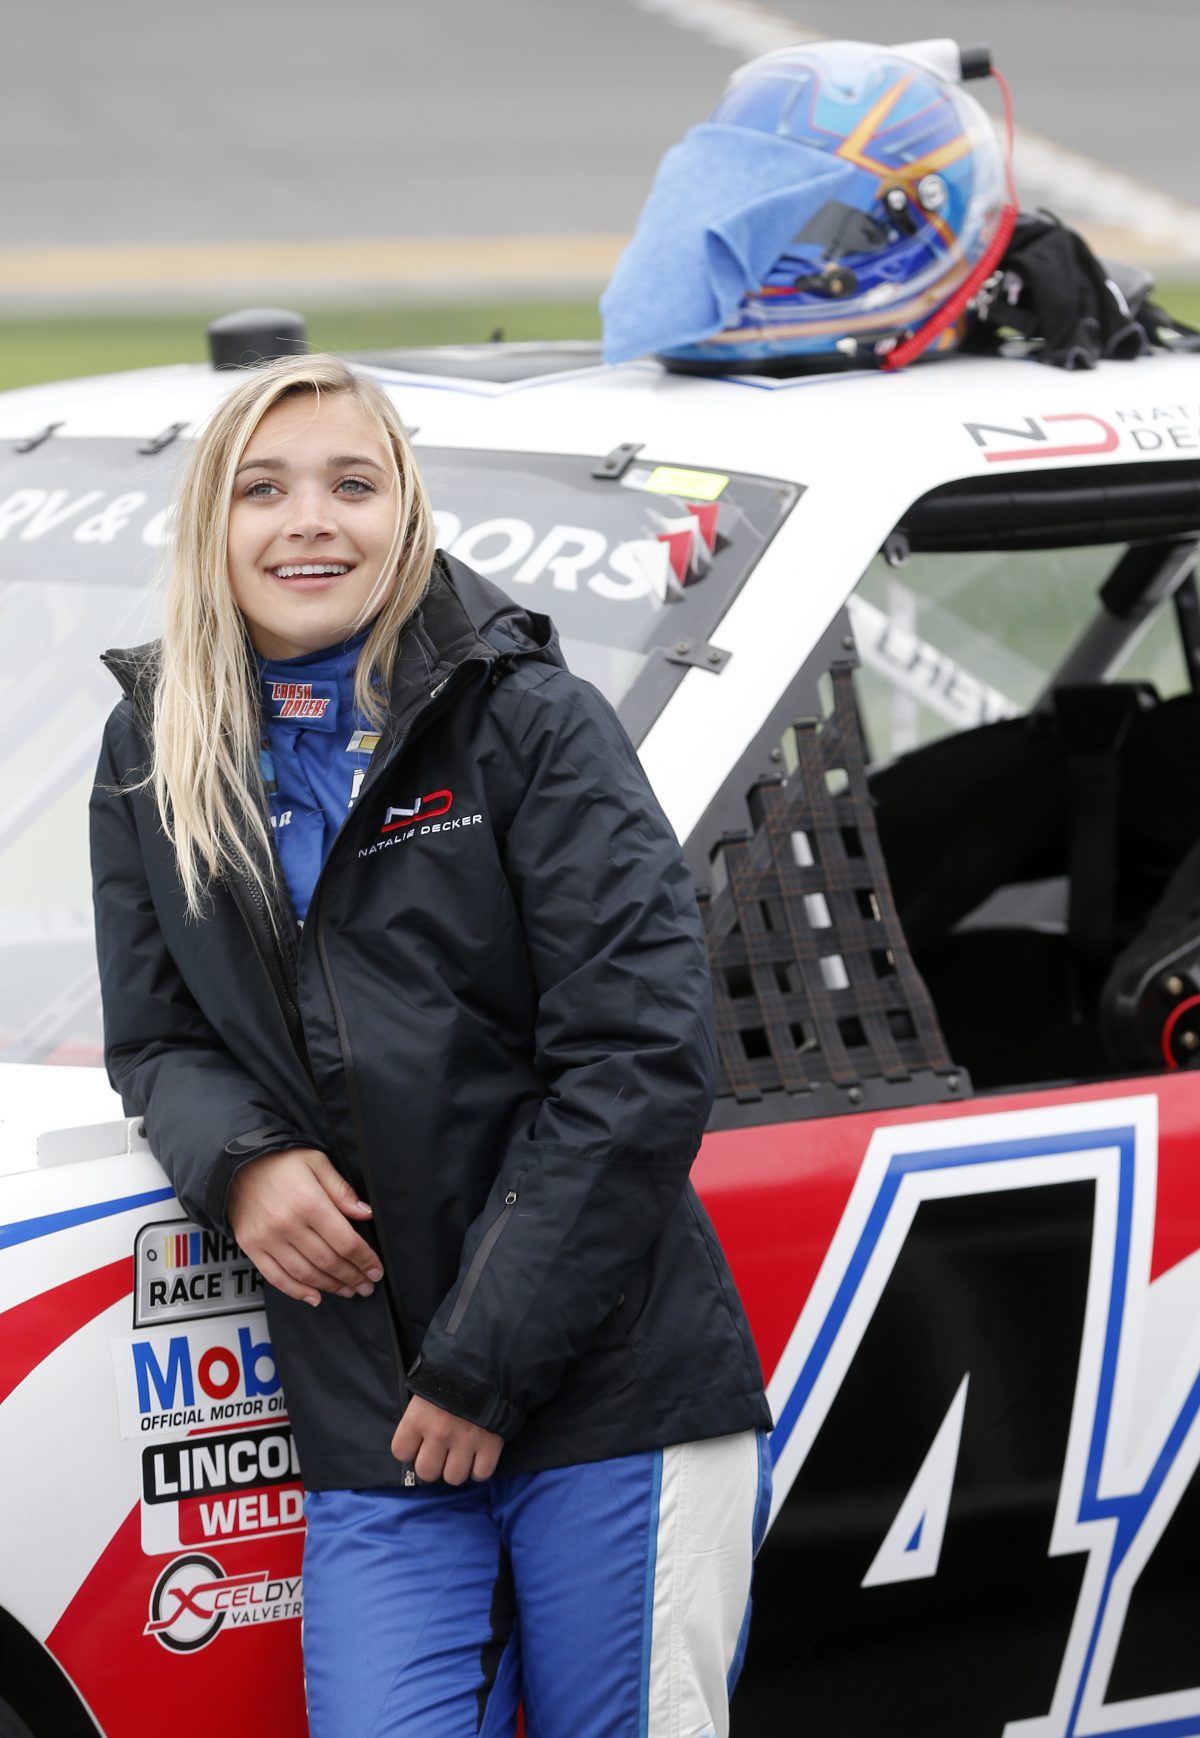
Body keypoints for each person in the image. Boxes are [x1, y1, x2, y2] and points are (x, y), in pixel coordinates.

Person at [90, 354, 773, 1737]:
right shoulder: (153, 750)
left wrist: (486, 1361)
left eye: (356, 483)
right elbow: (157, 1033)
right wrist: (239, 1161)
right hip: (373, 1420)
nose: (311, 522)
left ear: (410, 515)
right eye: (262, 488)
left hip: (609, 1390)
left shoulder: (527, 720)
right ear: (210, 528)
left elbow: (639, 1056)